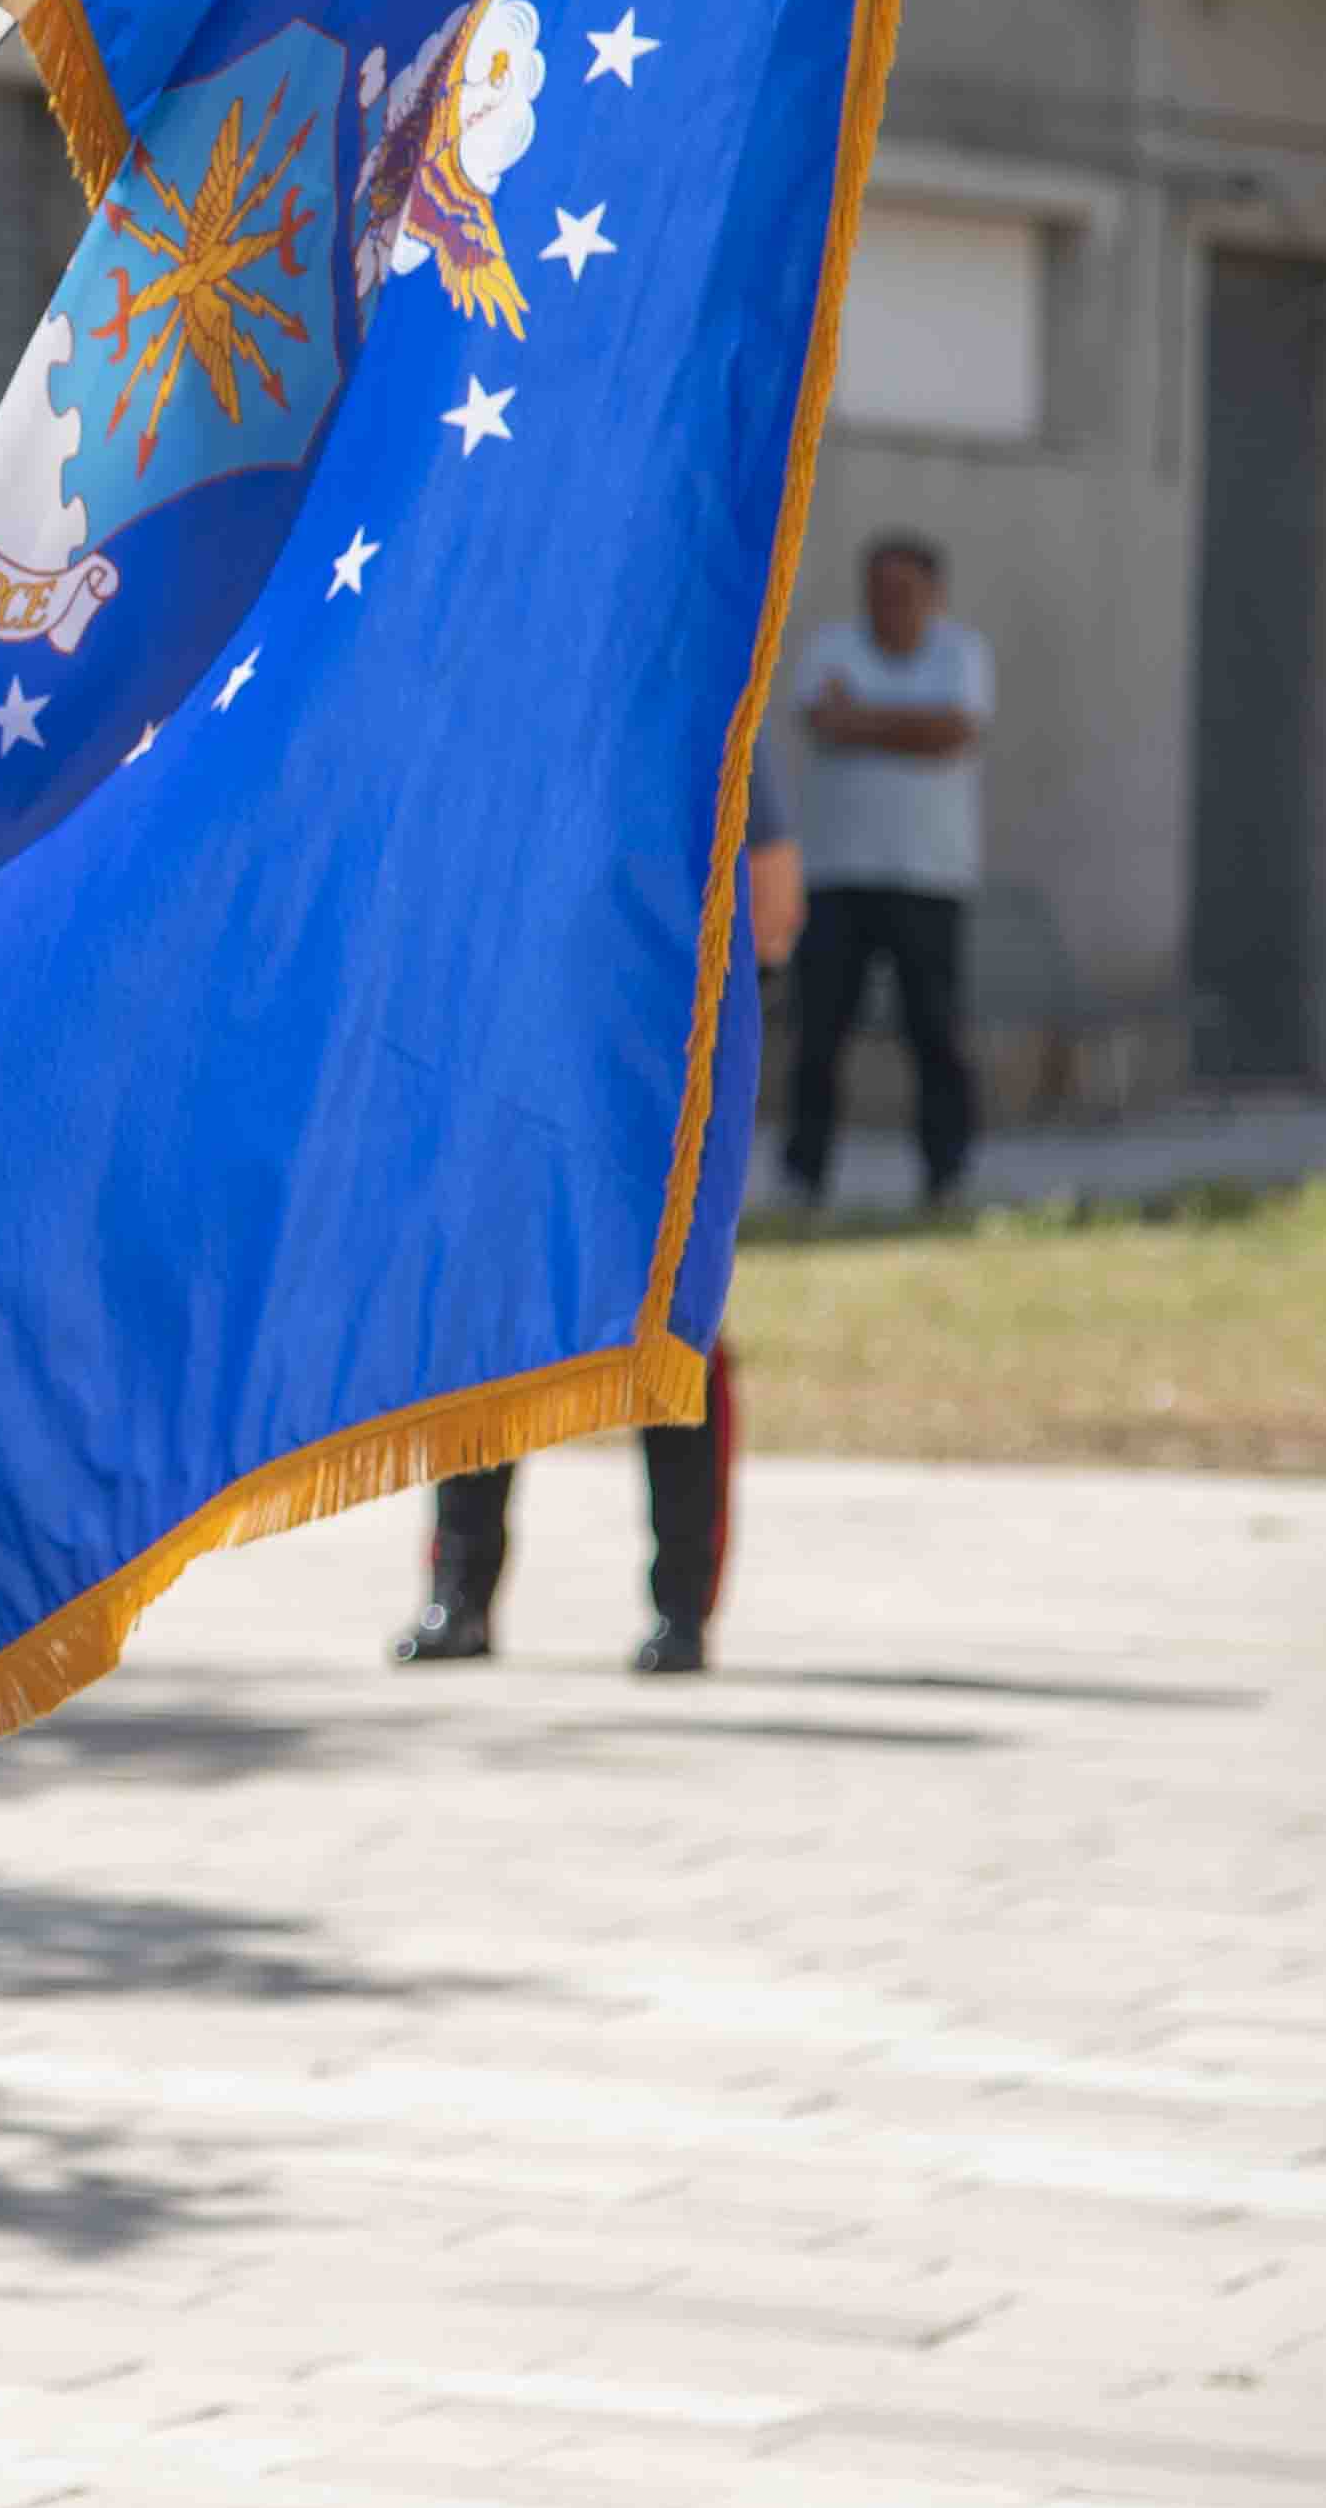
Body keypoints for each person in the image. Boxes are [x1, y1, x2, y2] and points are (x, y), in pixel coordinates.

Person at [402, 761, 806, 1674]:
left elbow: (776, 906)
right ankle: (463, 1595)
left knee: (669, 1325)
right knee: (487, 1319)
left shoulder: (708, 717)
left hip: (649, 1066)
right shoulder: (502, 729)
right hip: (512, 1062)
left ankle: (677, 1609)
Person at [776, 529, 989, 1211]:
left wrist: (862, 719)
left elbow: (953, 734)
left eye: (902, 592)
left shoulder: (962, 654)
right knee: (818, 1034)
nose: (886, 604)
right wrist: (909, 726)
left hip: (929, 877)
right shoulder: (830, 648)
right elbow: (824, 722)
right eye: (876, 591)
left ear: (935, 595)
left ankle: (946, 1174)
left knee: (935, 1031)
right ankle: (804, 1176)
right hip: (836, 875)